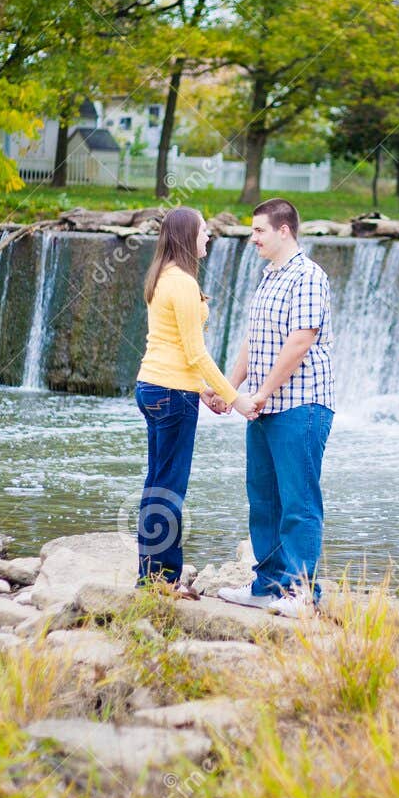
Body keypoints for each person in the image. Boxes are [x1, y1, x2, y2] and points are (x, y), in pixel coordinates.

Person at [213, 197, 335, 619]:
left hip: (301, 405)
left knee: (298, 501)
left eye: (259, 230)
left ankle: (303, 594)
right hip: (263, 407)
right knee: (263, 500)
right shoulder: (269, 277)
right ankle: (266, 587)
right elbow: (255, 339)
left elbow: (301, 340)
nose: (253, 238)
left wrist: (262, 392)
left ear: (284, 230)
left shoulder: (308, 276)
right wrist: (229, 387)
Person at [135, 207, 257, 595]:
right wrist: (234, 398)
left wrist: (200, 390)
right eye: (204, 231)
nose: (208, 237)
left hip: (154, 387)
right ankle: (164, 580)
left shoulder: (162, 276)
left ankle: (151, 576)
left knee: (157, 483)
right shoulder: (183, 284)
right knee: (169, 487)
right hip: (171, 393)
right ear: (189, 236)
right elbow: (195, 353)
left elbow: (175, 349)